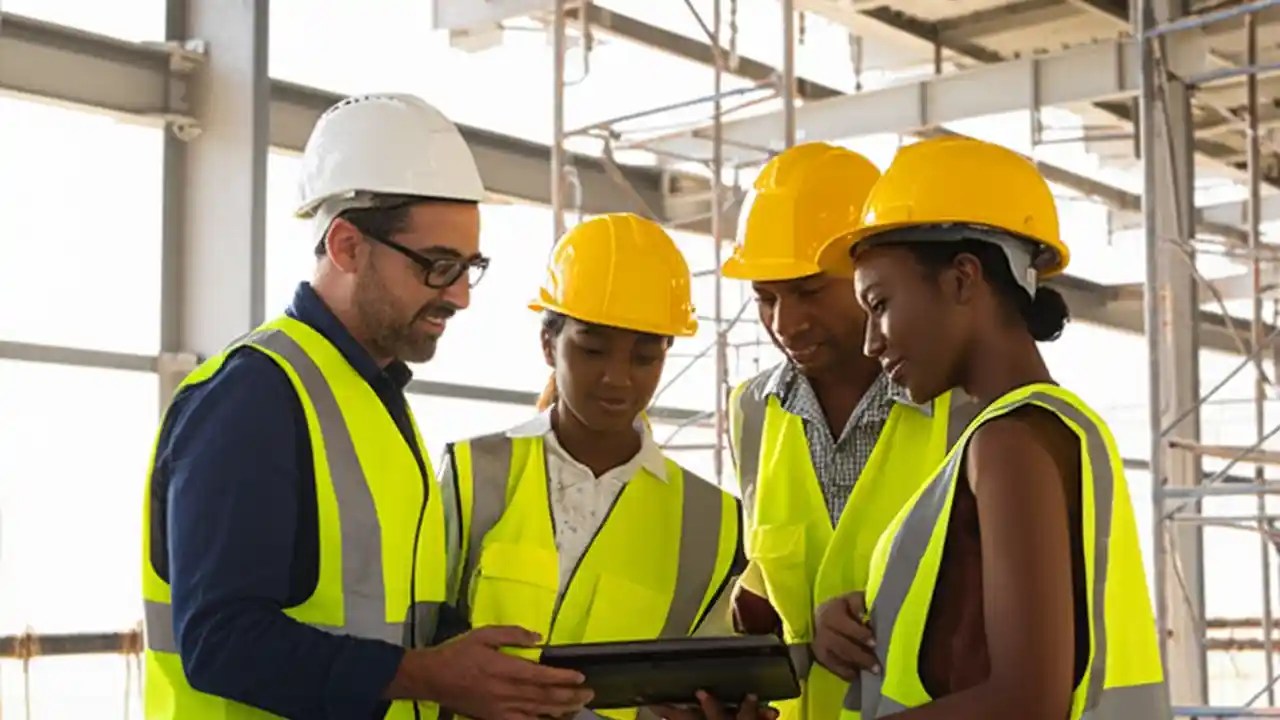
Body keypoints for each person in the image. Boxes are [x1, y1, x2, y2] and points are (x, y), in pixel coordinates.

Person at [140, 93, 591, 720]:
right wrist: (427, 675)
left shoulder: (372, 397)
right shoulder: (253, 397)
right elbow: (221, 641)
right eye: (438, 265)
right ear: (348, 246)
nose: (460, 295)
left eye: (470, 267)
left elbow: (388, 619)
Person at [815, 135, 1170, 719]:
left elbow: (1025, 701)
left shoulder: (1009, 442)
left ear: (962, 279)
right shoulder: (1037, 431)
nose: (871, 342)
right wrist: (872, 613)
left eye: (879, 305)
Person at [438, 213, 765, 720]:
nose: (617, 378)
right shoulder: (472, 476)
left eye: (644, 357)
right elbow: (419, 648)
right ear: (548, 344)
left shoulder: (714, 523)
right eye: (592, 350)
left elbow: (696, 686)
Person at [719, 142, 977, 720]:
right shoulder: (753, 412)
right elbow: (766, 594)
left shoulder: (963, 405)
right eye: (765, 298)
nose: (786, 323)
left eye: (809, 291)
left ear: (870, 273)